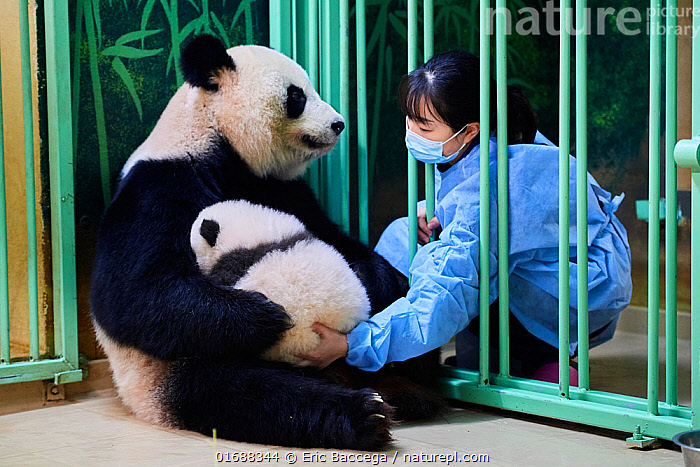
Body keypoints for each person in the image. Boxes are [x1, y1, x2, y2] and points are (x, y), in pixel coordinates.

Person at [299, 50, 632, 384]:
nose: (411, 131)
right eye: (409, 118)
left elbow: (449, 288)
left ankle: (547, 355)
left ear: (469, 130)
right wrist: (439, 206)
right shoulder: (500, 134)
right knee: (406, 232)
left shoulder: (487, 192)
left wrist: (351, 344)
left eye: (424, 125)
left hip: (572, 304)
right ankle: (495, 354)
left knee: (451, 274)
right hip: (576, 275)